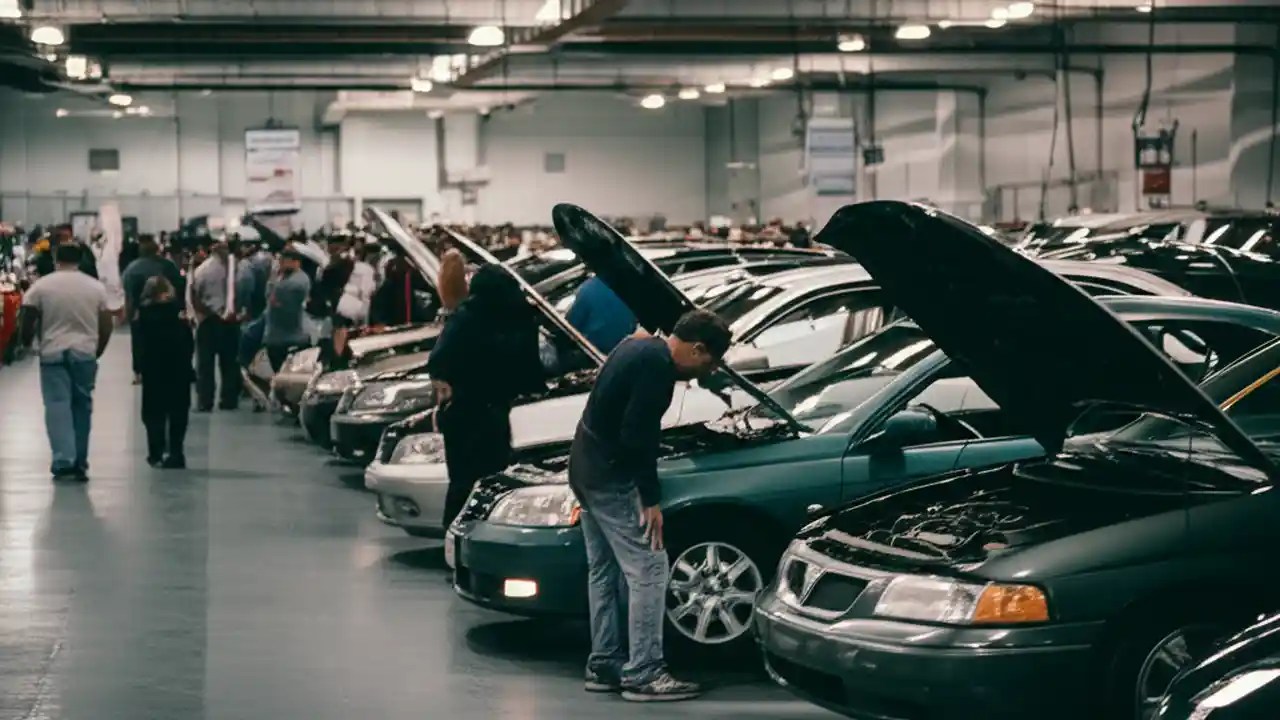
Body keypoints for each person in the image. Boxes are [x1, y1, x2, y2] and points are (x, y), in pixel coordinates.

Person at [568, 309, 731, 702]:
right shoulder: (657, 369)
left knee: (604, 570)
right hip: (610, 475)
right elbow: (637, 435)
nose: (704, 373)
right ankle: (644, 671)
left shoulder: (636, 347)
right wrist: (650, 497)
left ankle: (605, 661)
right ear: (696, 348)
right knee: (650, 566)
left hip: (584, 464)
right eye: (709, 362)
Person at [428, 265, 544, 527]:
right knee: (495, 479)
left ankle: (456, 537)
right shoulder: (522, 317)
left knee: (461, 481)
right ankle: (487, 533)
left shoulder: (466, 316)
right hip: (501, 411)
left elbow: (439, 360)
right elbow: (531, 370)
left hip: (465, 410)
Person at [20, 242, 113, 481]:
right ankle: (80, 460)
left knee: (57, 405)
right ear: (81, 260)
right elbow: (106, 323)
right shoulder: (95, 288)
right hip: (84, 353)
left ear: (55, 258)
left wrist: (26, 341)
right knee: (82, 406)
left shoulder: (41, 286)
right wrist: (98, 349)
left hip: (53, 353)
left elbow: (28, 316)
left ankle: (63, 459)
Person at [135, 275, 193, 468]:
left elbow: (138, 345)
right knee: (178, 411)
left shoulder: (142, 315)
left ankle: (156, 452)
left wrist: (138, 368)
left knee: (153, 412)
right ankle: (176, 452)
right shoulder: (179, 313)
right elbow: (188, 342)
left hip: (153, 368)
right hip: (179, 368)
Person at [121, 235, 184, 384]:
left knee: (138, 343)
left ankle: (138, 373)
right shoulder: (168, 266)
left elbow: (128, 292)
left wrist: (130, 313)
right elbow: (179, 285)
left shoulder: (132, 268)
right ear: (157, 250)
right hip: (166, 311)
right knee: (165, 341)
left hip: (141, 312)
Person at [190, 237, 244, 411]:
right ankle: (229, 400)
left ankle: (206, 400)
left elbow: (194, 295)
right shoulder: (236, 268)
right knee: (229, 363)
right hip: (229, 320)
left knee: (205, 364)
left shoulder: (202, 270)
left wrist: (203, 314)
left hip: (209, 320)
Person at [262, 247, 313, 372]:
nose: (280, 263)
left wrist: (273, 280)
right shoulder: (283, 277)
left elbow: (273, 297)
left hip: (292, 336)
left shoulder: (297, 281)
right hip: (277, 336)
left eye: (284, 260)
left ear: (296, 262)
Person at [567, 275, 638, 354]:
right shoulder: (631, 287)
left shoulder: (588, 289)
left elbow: (570, 325)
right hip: (623, 350)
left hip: (594, 352)